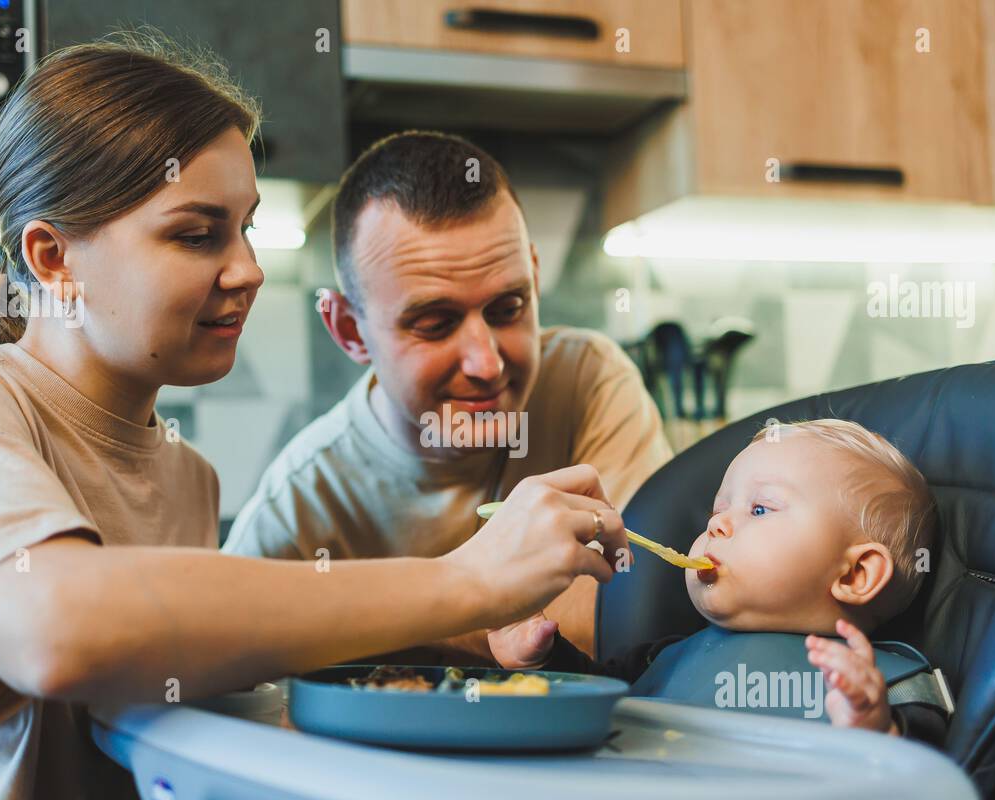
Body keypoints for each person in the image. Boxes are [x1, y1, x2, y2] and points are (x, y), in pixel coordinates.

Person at [0, 33, 629, 800]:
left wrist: (469, 631)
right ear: (53, 258)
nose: (247, 270)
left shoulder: (184, 477)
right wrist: (468, 579)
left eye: (245, 228)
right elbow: (58, 628)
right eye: (198, 233)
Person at [223, 131, 672, 662]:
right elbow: (224, 648)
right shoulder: (300, 503)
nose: (487, 364)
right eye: (435, 324)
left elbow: (631, 611)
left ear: (533, 271)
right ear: (349, 330)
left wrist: (345, 620)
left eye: (508, 309)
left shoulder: (588, 381)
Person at [490, 419, 950, 745]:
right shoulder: (661, 660)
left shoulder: (887, 686)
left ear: (855, 574)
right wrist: (539, 660)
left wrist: (871, 731)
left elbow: (927, 791)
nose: (717, 526)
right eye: (718, 511)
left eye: (760, 509)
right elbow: (590, 705)